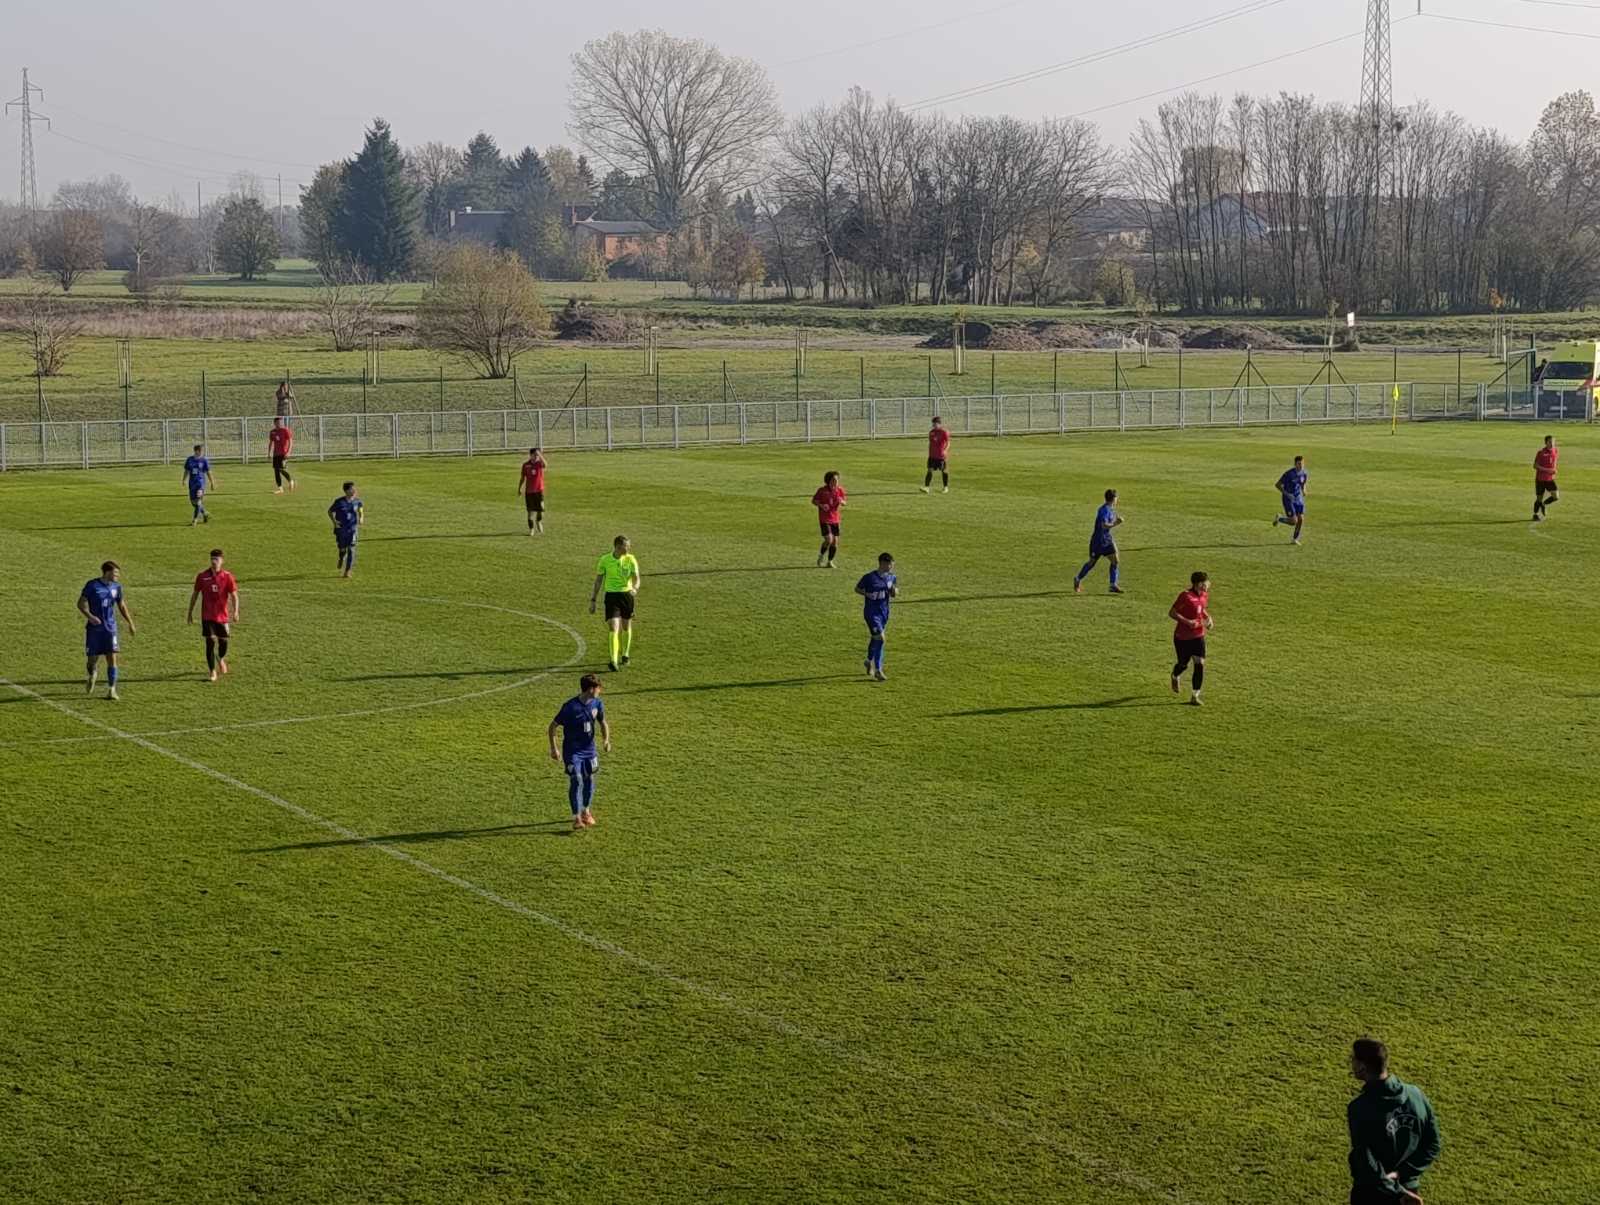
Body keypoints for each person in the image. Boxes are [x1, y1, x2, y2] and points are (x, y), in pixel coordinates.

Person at [1347, 1037, 1442, 1204]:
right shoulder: (1416, 1094)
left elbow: (1366, 1162)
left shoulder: (1360, 1108)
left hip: (1373, 1193)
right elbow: (1433, 1144)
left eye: (1353, 1059)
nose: (1351, 1063)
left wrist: (1395, 1190)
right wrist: (1402, 1174)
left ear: (1362, 1066)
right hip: (1410, 1191)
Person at [549, 673, 610, 831]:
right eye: (598, 688)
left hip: (589, 750)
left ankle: (586, 811)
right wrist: (554, 748)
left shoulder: (597, 704)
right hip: (572, 751)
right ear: (591, 689)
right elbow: (552, 727)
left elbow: (603, 722)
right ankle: (576, 817)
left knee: (589, 778)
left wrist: (606, 740)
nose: (600, 691)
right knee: (576, 779)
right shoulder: (570, 707)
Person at [78, 561, 135, 701]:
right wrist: (90, 617)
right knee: (92, 661)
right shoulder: (92, 585)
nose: (117, 576)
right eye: (115, 573)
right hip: (94, 629)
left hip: (110, 628)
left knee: (112, 658)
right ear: (107, 572)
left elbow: (121, 604)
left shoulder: (117, 587)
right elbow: (80, 603)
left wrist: (130, 622)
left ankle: (111, 690)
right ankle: (92, 674)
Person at [186, 549, 239, 683]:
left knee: (224, 642)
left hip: (222, 617)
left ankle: (220, 658)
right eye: (212, 559)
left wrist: (236, 611)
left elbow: (234, 596)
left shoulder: (227, 576)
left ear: (222, 561)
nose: (214, 562)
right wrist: (190, 612)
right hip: (207, 616)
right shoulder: (202, 576)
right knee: (210, 641)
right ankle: (212, 671)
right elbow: (195, 594)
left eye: (217, 559)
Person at [589, 535, 640, 672]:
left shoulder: (631, 559)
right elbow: (598, 580)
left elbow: (637, 579)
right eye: (626, 546)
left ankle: (625, 654)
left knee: (626, 626)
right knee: (613, 627)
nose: (628, 548)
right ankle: (613, 660)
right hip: (611, 596)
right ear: (618, 546)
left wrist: (635, 588)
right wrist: (593, 600)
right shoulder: (605, 560)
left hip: (627, 596)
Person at [1168, 571, 1213, 706]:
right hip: (1182, 637)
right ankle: (1175, 675)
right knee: (1183, 664)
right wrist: (1188, 622)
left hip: (1198, 636)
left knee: (1199, 663)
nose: (1208, 584)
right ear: (1199, 584)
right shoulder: (1185, 596)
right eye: (1206, 582)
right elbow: (1172, 613)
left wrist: (1208, 617)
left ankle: (1195, 695)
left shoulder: (1204, 595)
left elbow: (1201, 608)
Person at [854, 552, 898, 681]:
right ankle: (879, 670)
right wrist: (867, 594)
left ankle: (868, 661)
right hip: (871, 613)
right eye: (890, 564)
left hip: (884, 612)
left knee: (876, 638)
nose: (892, 566)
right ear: (883, 563)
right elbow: (857, 589)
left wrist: (893, 590)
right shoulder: (869, 577)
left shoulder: (892, 577)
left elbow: (895, 593)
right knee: (881, 638)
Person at [1073, 489, 1124, 594]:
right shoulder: (1104, 510)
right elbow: (1104, 525)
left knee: (1115, 560)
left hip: (1107, 539)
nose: (1117, 500)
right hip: (1098, 541)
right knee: (1091, 563)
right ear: (1113, 499)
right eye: (1116, 498)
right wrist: (1116, 523)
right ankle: (1077, 579)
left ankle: (1112, 585)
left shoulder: (1110, 509)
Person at [327, 482, 364, 578]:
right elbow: (330, 511)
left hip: (352, 529)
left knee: (351, 548)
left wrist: (361, 517)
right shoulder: (339, 502)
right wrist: (334, 522)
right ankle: (341, 557)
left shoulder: (357, 501)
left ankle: (347, 571)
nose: (354, 490)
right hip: (341, 530)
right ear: (347, 491)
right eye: (352, 489)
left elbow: (360, 508)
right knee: (342, 548)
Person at [812, 471, 848, 568]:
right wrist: (821, 505)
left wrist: (841, 501)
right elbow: (814, 501)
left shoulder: (839, 490)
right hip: (824, 519)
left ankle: (830, 561)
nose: (836, 482)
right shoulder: (822, 491)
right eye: (834, 480)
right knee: (829, 539)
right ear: (828, 481)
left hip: (835, 519)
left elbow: (845, 502)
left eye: (837, 480)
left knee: (835, 542)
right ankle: (821, 555)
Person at [1273, 454, 1308, 544]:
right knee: (1293, 521)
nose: (1301, 466)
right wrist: (1287, 494)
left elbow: (1303, 483)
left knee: (1301, 519)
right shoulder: (1289, 474)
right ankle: (1279, 518)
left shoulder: (1304, 473)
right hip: (1288, 499)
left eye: (1302, 464)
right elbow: (1277, 485)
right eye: (1299, 464)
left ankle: (1295, 539)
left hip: (1298, 498)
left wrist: (1303, 490)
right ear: (1295, 464)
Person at [181, 444, 214, 525]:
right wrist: (184, 480)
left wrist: (212, 482)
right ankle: (205, 513)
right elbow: (186, 471)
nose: (202, 452)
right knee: (193, 502)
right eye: (201, 450)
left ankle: (194, 520)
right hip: (192, 484)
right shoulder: (189, 460)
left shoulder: (204, 460)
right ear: (196, 451)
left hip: (200, 483)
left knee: (198, 501)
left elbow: (208, 472)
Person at [518, 447, 546, 535]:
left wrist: (540, 455)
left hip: (539, 491)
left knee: (541, 510)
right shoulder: (525, 465)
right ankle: (531, 529)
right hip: (529, 492)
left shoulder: (539, 463)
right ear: (531, 455)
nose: (537, 456)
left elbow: (545, 464)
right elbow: (522, 478)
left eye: (538, 455)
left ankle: (539, 521)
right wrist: (519, 488)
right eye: (535, 454)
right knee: (530, 512)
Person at [921, 416, 951, 493]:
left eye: (935, 424)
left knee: (944, 471)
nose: (934, 425)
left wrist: (945, 450)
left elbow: (948, 443)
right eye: (933, 424)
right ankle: (927, 488)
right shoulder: (931, 432)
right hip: (932, 456)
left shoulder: (944, 432)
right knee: (929, 470)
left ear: (939, 424)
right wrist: (929, 453)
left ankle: (945, 487)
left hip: (941, 456)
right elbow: (931, 443)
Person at [1533, 434, 1559, 521]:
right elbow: (1535, 466)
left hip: (1550, 479)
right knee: (1539, 498)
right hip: (1540, 479)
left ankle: (1543, 504)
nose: (1552, 444)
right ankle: (1535, 514)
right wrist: (1548, 470)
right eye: (1550, 442)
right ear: (1546, 443)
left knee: (1556, 497)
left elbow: (1554, 461)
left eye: (1553, 442)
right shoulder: (1541, 453)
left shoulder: (1555, 450)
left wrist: (1555, 469)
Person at [267, 417, 295, 494]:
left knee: (281, 469)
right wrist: (269, 453)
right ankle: (280, 489)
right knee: (276, 471)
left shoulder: (285, 430)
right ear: (275, 423)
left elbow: (290, 441)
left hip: (283, 453)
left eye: (281, 422)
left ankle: (290, 480)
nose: (280, 424)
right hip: (276, 454)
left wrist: (288, 452)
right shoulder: (272, 432)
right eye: (278, 422)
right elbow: (271, 443)